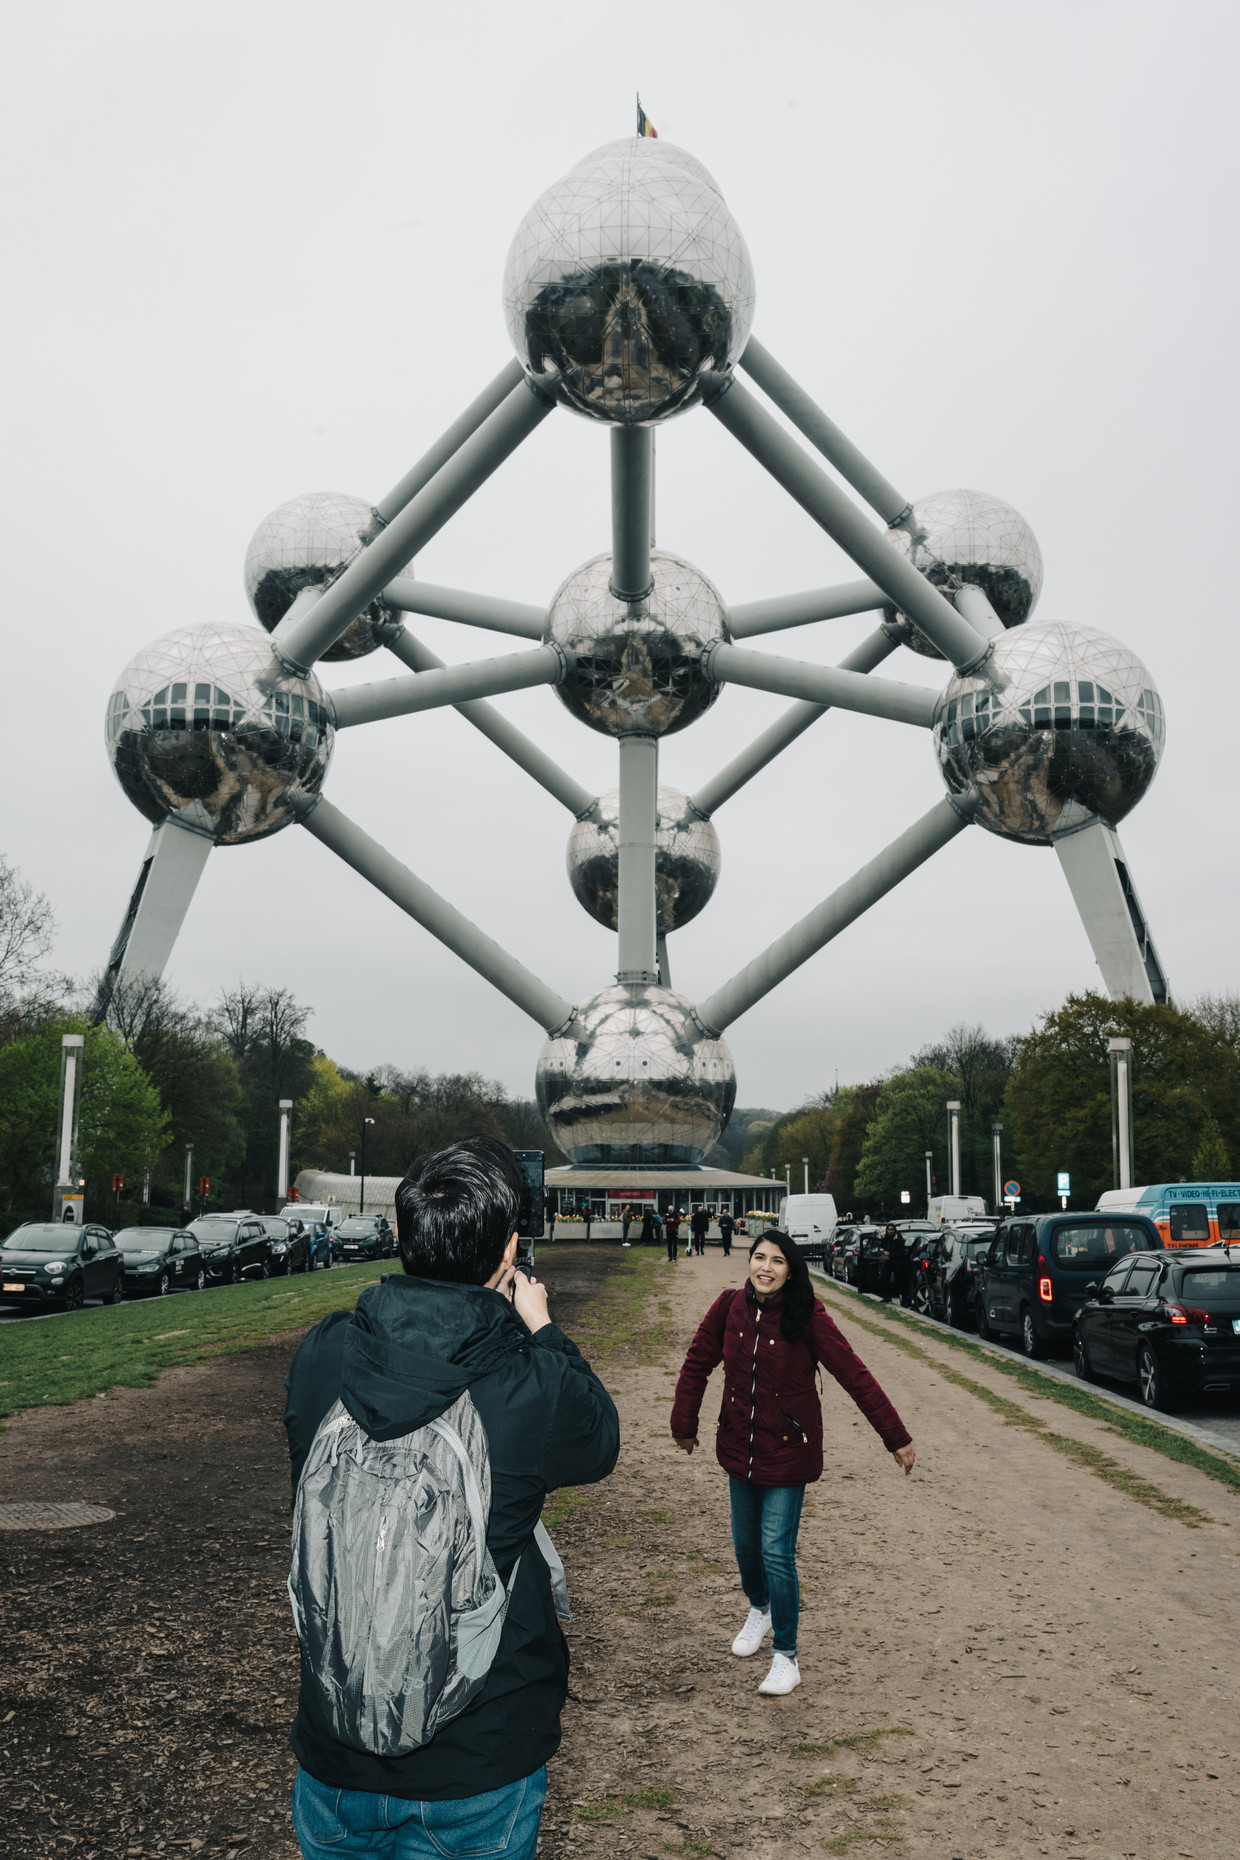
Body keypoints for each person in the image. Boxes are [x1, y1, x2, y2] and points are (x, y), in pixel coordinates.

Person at [283, 1137, 619, 1859]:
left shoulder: (322, 1356)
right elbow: (600, 1443)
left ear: (402, 1236)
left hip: (337, 1743)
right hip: (480, 1751)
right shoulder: (533, 1386)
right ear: (510, 1251)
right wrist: (543, 1325)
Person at [670, 1229, 914, 1698]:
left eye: (777, 1261)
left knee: (775, 1552)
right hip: (739, 1446)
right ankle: (759, 1609)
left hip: (789, 1450)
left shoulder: (808, 1316)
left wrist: (896, 1437)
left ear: (791, 1269)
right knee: (746, 1550)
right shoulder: (728, 1307)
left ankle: (787, 1655)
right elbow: (696, 1363)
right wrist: (685, 1424)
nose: (765, 1267)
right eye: (758, 1258)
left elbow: (854, 1375)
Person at [878, 1223, 905, 1303]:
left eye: (892, 1230)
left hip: (897, 1263)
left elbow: (902, 1253)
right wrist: (881, 1251)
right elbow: (881, 1247)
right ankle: (886, 1297)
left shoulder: (899, 1240)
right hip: (887, 1263)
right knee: (884, 1279)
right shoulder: (885, 1238)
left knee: (900, 1282)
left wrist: (890, 1253)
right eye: (889, 1230)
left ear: (895, 1230)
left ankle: (904, 1300)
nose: (890, 1231)